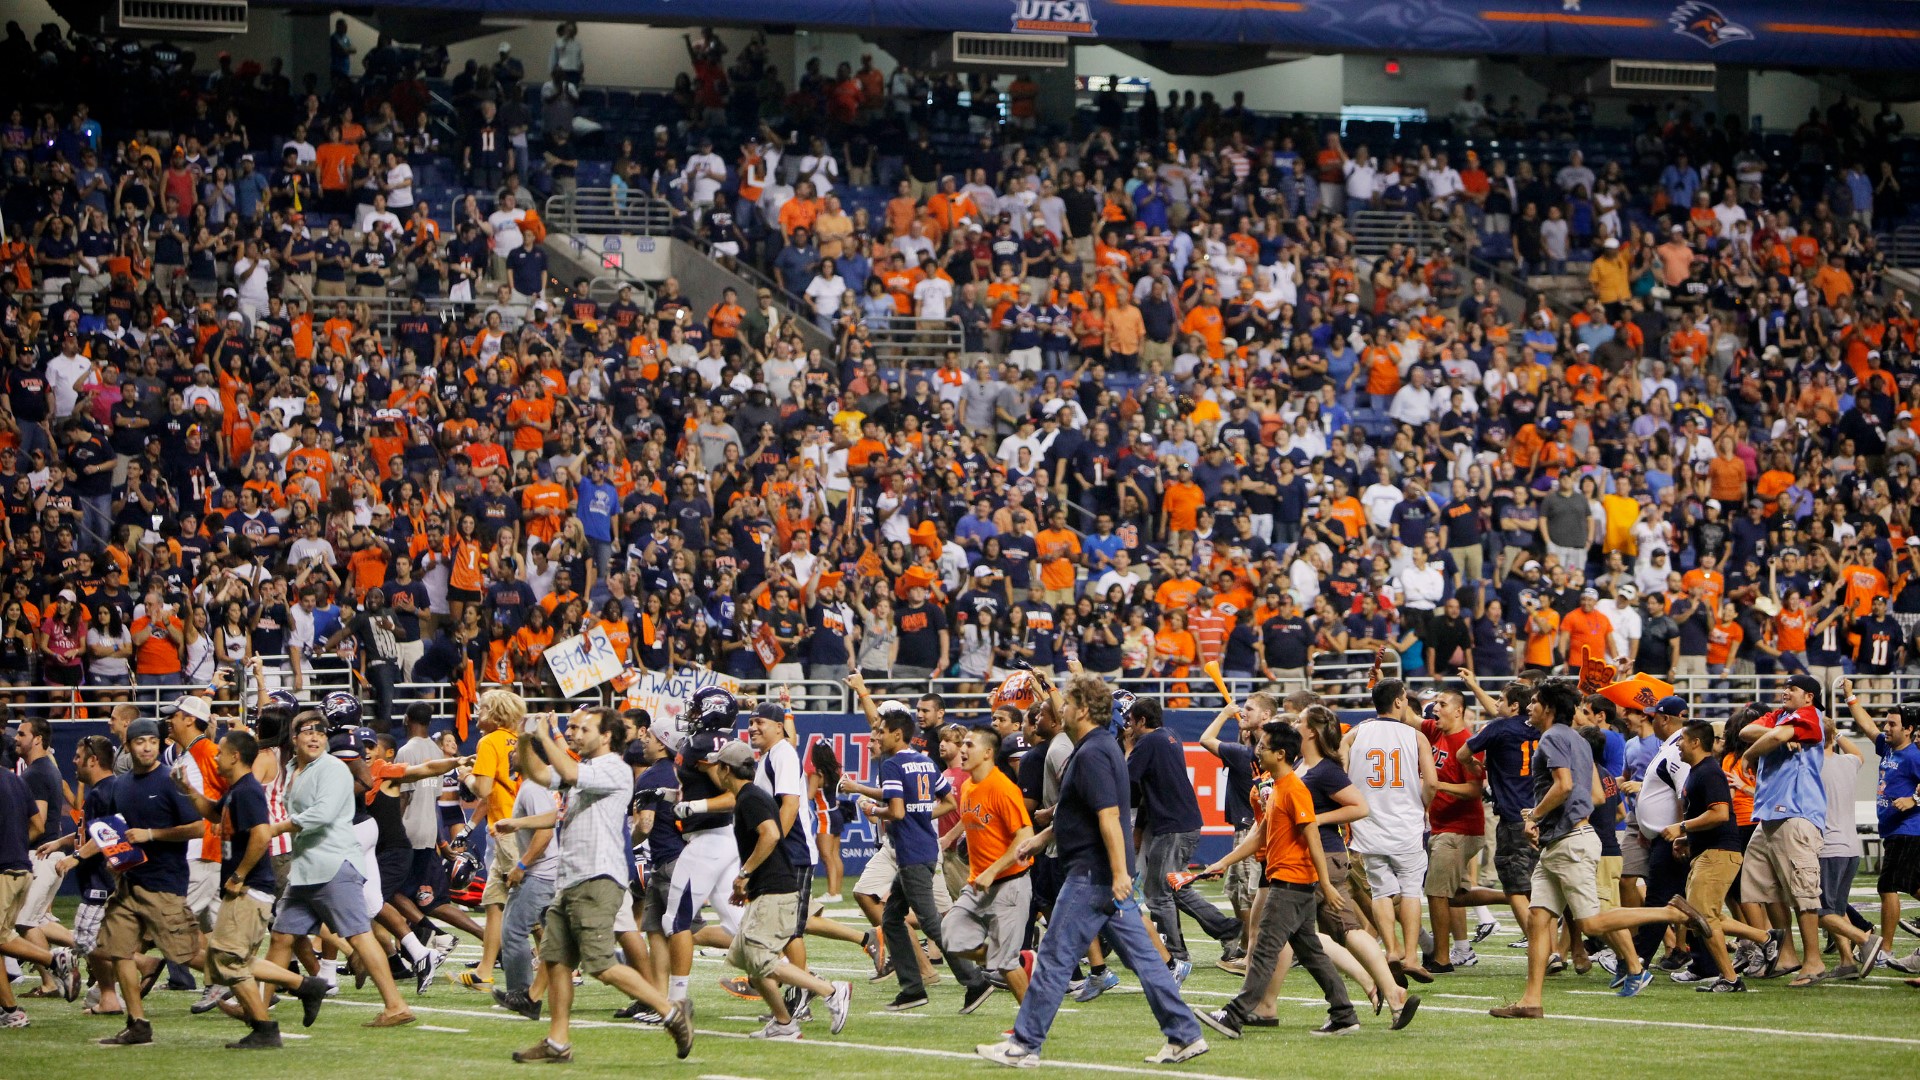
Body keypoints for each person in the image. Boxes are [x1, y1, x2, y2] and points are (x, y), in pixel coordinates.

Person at [977, 673, 1208, 1068]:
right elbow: (1078, 811)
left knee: (1052, 957)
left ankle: (1024, 1044)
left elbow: (1109, 815)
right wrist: (1040, 838)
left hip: (1091, 877)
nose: (1060, 709)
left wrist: (1119, 873)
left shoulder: (1093, 752)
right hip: (1103, 877)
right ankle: (1185, 1035)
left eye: (1065, 703)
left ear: (1082, 709)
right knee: (1148, 960)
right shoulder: (1097, 748)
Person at [1198, 720, 1415, 1038]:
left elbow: (1312, 834)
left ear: (1281, 753)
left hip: (1291, 882)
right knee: (1312, 951)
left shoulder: (1295, 790)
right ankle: (1343, 1013)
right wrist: (1221, 862)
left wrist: (1325, 883)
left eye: (1264, 746)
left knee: (1265, 949)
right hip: (1290, 881)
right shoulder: (1278, 786)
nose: (1258, 750)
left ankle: (1234, 1014)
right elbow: (1261, 838)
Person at [503, 707, 692, 1062]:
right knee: (557, 960)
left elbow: (567, 770)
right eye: (571, 728)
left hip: (597, 878)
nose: (573, 733)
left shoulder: (613, 767)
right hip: (571, 877)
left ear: (606, 736)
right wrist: (527, 738)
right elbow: (541, 774)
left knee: (601, 965)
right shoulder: (588, 769)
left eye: (582, 728)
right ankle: (557, 1043)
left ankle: (670, 1011)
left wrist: (545, 734)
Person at [1491, 678, 1647, 1018]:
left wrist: (1536, 815)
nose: (1528, 707)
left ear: (1547, 708)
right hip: (1564, 840)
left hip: (1570, 843)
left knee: (1590, 924)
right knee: (1537, 918)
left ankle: (1674, 913)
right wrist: (1551, 822)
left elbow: (1563, 786)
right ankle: (1531, 1001)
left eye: (1533, 701)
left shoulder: (1552, 737)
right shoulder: (1577, 739)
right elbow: (1594, 795)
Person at [169, 728, 333, 1048]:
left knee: (229, 962)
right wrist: (187, 787)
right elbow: (212, 813)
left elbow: (261, 835)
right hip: (244, 888)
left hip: (249, 888)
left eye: (220, 752)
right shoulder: (236, 791)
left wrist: (239, 875)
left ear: (234, 756)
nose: (216, 757)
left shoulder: (247, 791)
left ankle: (265, 1027)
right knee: (229, 960)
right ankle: (304, 986)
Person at [268, 710, 416, 1030]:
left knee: (361, 937)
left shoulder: (333, 769)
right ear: (293, 739)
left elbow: (321, 814)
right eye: (307, 732)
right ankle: (259, 1009)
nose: (314, 737)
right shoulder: (292, 768)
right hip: (306, 868)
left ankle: (396, 1005)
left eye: (320, 733)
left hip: (335, 865)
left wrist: (276, 827)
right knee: (281, 937)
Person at [708, 737, 852, 1039]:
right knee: (750, 960)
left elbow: (771, 835)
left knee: (761, 959)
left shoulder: (750, 798)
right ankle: (784, 1023)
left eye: (716, 766)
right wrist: (748, 882)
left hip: (776, 890)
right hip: (767, 887)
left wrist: (745, 872)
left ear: (725, 769)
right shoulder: (749, 796)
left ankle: (830, 990)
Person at [89, 717, 206, 1044]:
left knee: (191, 955)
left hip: (164, 884)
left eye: (152, 742)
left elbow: (198, 827)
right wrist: (115, 858)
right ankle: (137, 1022)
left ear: (159, 744)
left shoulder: (171, 780)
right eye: (140, 742)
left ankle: (254, 981)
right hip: (129, 884)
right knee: (118, 950)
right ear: (128, 746)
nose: (146, 747)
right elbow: (114, 827)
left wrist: (152, 835)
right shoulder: (121, 784)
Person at [1128, 696, 1242, 976]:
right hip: (1182, 823)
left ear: (1142, 721)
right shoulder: (1170, 736)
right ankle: (1228, 931)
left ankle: (1175, 955)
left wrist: (1128, 747)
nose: (1128, 727)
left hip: (1173, 827)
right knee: (1176, 889)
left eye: (1131, 722)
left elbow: (1126, 780)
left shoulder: (1148, 742)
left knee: (1158, 894)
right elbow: (1145, 790)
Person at [1341, 679, 1441, 983]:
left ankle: (1392, 951)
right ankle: (1411, 956)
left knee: (1381, 890)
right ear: (1399, 702)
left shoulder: (1355, 735)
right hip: (1406, 825)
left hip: (1368, 826)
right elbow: (1433, 783)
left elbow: (1342, 773)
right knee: (1411, 890)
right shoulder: (1416, 737)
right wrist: (1422, 804)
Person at [1737, 674, 1832, 986]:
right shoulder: (1780, 718)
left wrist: (1751, 753)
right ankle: (1788, 954)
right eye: (1784, 687)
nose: (1784, 692)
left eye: (1792, 689)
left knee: (1803, 891)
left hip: (1796, 813)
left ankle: (1814, 962)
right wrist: (1776, 732)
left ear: (1809, 697)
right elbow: (1747, 730)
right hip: (1768, 816)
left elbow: (1771, 740)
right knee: (1764, 887)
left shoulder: (1810, 715)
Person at [942, 725, 1035, 1009]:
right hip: (978, 885)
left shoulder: (1002, 788)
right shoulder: (969, 786)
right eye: (963, 745)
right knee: (951, 936)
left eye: (970, 745)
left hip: (1010, 884)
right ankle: (1022, 957)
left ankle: (1030, 1026)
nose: (963, 749)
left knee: (1005, 965)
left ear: (988, 753)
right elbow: (972, 820)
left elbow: (1025, 836)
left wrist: (993, 869)